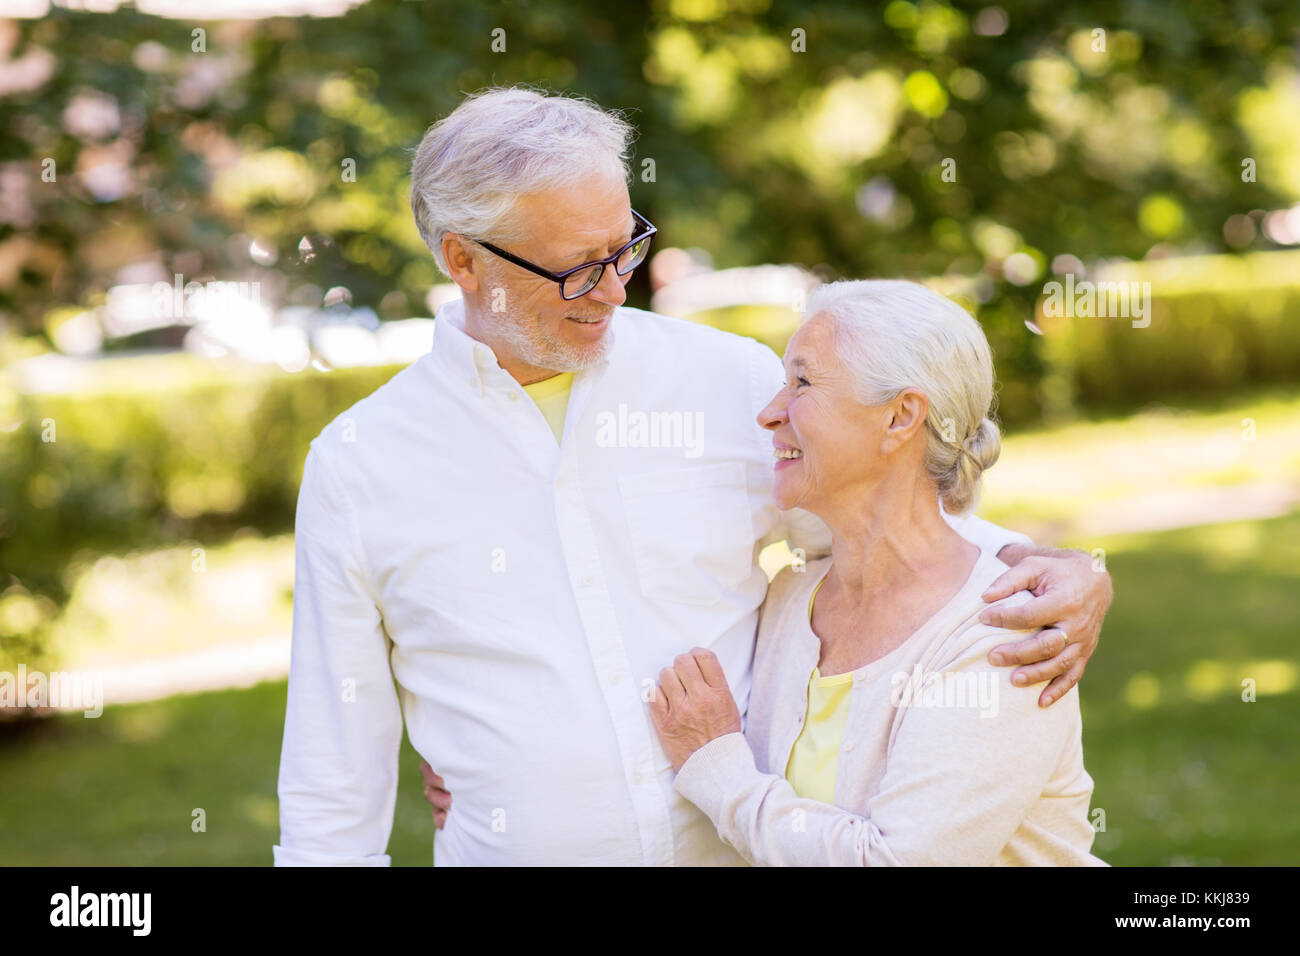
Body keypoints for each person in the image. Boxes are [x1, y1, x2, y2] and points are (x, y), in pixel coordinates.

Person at [274, 87, 1112, 866]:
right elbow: (330, 789)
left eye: (623, 248)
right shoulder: (362, 467)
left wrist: (1062, 574)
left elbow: (891, 531)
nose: (612, 290)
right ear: (465, 261)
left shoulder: (731, 384)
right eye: (575, 267)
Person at [649, 280, 1106, 865]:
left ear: (900, 417)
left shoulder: (1004, 634)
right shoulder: (791, 597)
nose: (768, 413)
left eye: (803, 382)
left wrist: (717, 766)